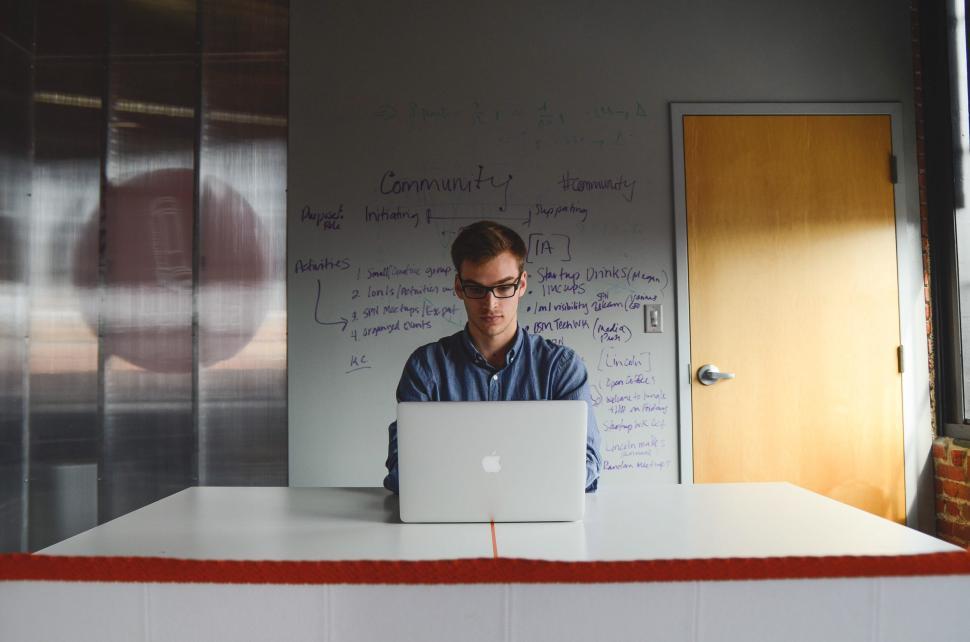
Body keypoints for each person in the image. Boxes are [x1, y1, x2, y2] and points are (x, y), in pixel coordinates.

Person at [383, 220, 602, 492]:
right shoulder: (425, 368)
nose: (491, 303)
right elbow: (401, 470)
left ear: (521, 285)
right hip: (446, 523)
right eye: (476, 289)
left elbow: (587, 463)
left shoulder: (562, 368)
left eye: (504, 287)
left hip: (540, 520)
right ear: (459, 288)